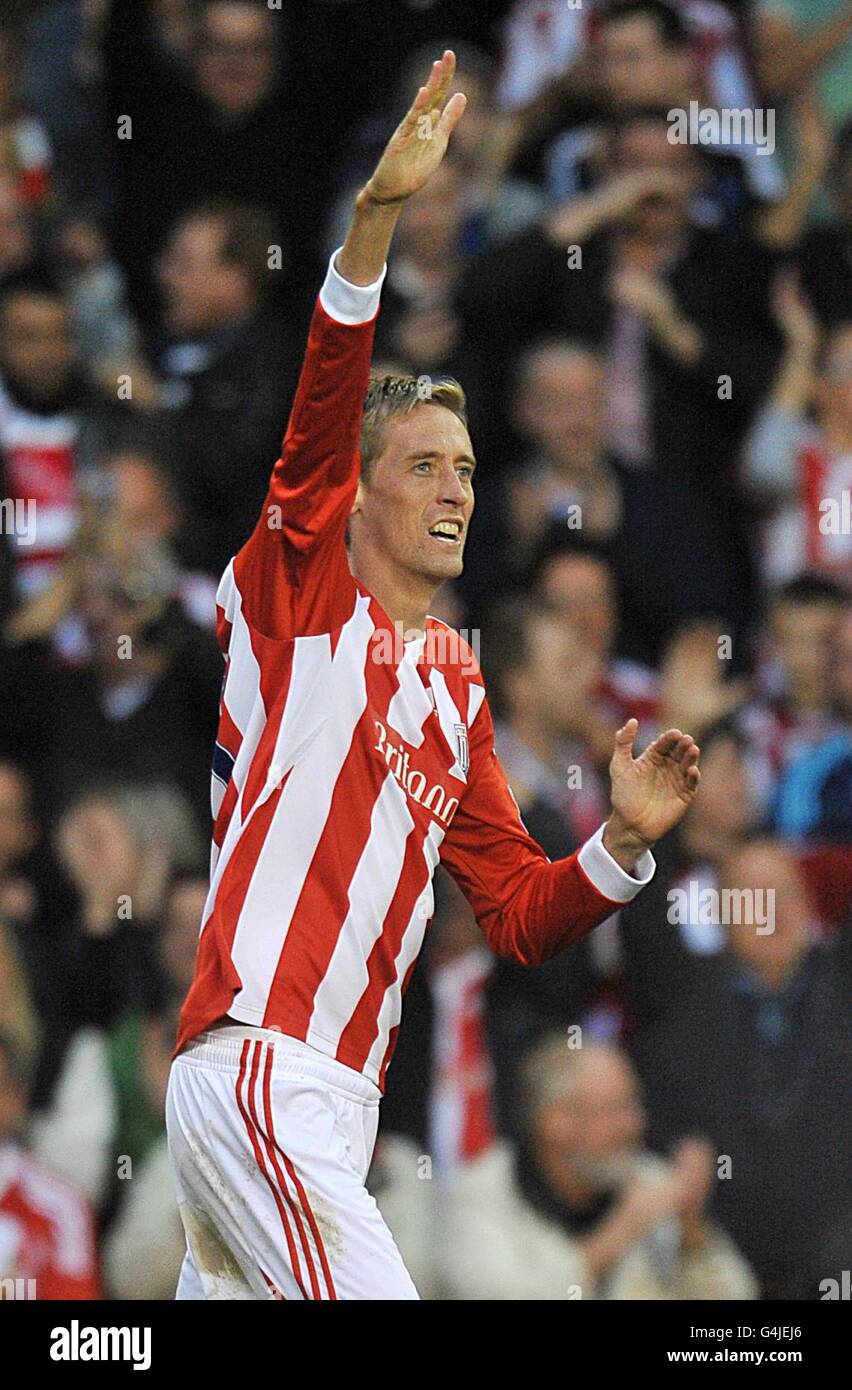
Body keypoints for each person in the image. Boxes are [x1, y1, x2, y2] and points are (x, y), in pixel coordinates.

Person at [166, 51, 702, 1302]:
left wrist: (622, 843)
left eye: (466, 469)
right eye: (423, 467)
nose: (456, 489)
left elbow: (516, 908)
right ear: (356, 496)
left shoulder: (455, 684)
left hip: (332, 1106)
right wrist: (376, 225)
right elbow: (317, 419)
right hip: (264, 1066)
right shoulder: (303, 594)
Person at [439, 1037, 756, 1300]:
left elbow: (736, 1301)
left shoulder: (649, 1179)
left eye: (634, 1106)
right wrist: (619, 1233)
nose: (635, 1124)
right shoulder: (481, 1193)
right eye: (618, 1110)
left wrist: (690, 1232)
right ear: (556, 1123)